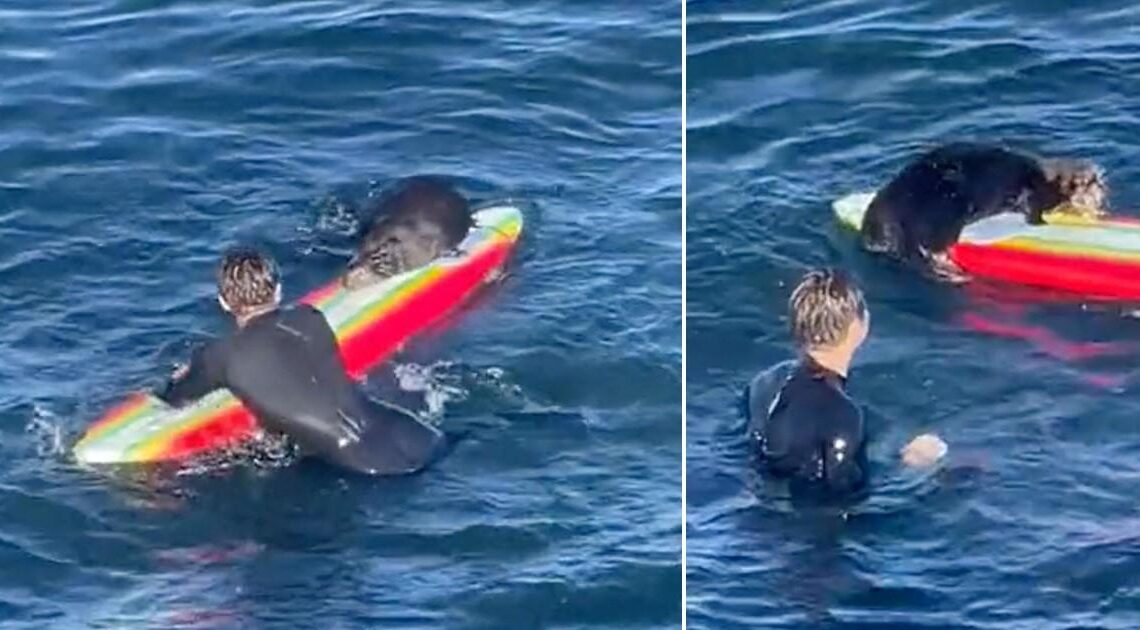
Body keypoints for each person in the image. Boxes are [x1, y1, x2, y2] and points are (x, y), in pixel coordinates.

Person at [157, 246, 446, 475]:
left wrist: (183, 376)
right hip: (415, 434)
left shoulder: (219, 356)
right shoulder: (309, 317)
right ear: (279, 290)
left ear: (223, 301)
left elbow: (175, 398)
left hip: (363, 467)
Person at [745, 268, 944, 496]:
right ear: (859, 326)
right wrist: (909, 465)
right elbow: (845, 501)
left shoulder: (765, 381)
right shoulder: (844, 416)